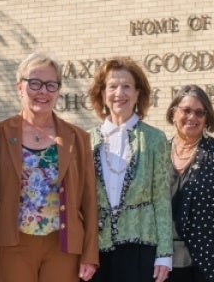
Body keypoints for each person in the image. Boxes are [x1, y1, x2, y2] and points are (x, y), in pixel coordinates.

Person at [0, 52, 99, 282]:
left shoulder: (77, 137)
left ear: (58, 91)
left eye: (51, 85)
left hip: (62, 244)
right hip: (12, 243)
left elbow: (89, 199)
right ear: (20, 87)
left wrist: (90, 253)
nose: (43, 91)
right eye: (35, 83)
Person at [88, 57, 174, 282]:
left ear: (137, 94)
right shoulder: (87, 140)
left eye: (127, 86)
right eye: (112, 86)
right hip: (96, 249)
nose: (119, 93)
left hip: (140, 247)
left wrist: (164, 254)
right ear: (102, 93)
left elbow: (162, 199)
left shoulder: (155, 139)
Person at [164, 84, 214, 282]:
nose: (192, 117)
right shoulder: (159, 152)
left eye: (199, 113)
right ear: (174, 113)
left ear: (206, 118)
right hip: (165, 259)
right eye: (186, 110)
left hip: (210, 257)